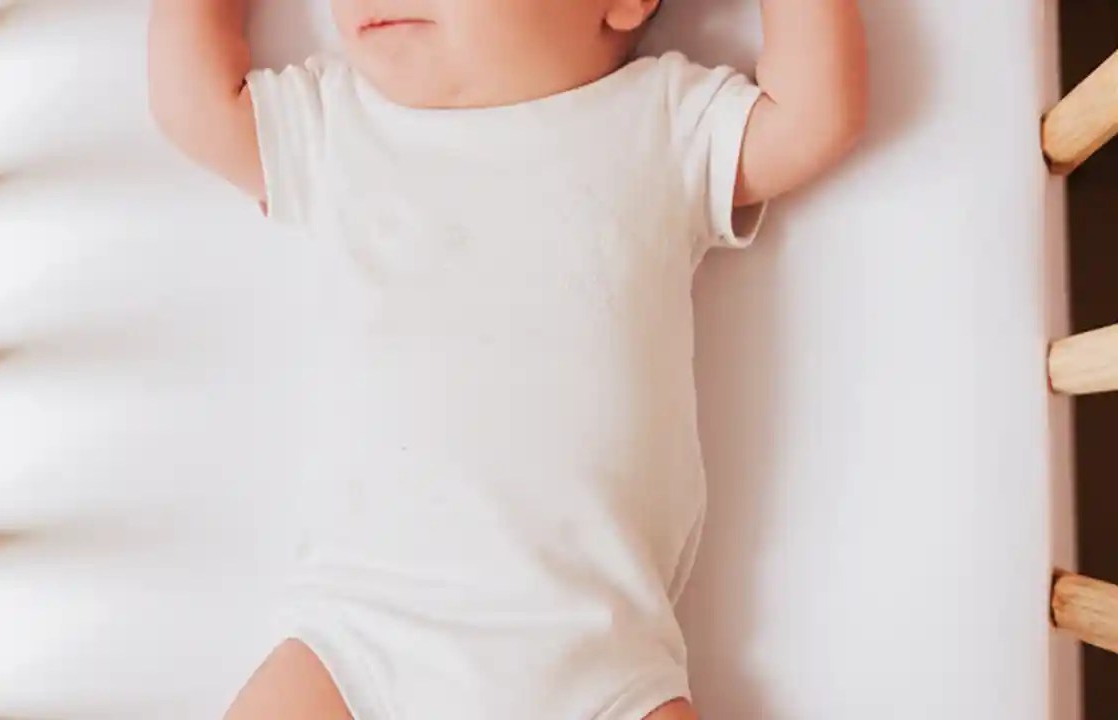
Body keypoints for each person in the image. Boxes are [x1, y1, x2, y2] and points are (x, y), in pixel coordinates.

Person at [149, 1, 867, 717]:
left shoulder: (662, 120)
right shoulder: (339, 121)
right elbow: (195, 107)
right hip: (360, 643)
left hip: (601, 663)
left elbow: (813, 116)